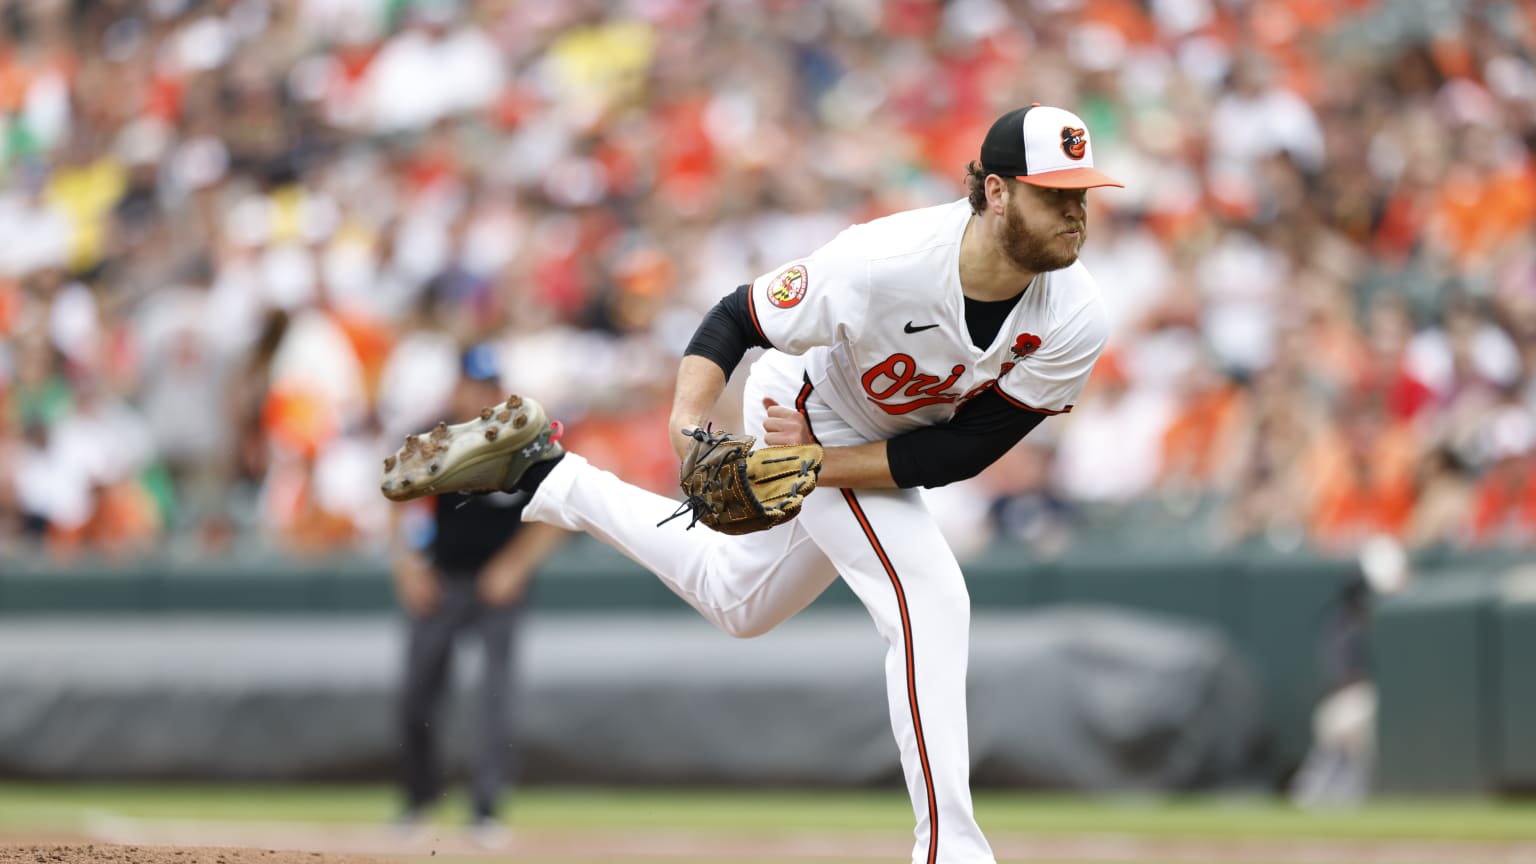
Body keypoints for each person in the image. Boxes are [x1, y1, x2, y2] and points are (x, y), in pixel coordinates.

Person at [381, 104, 1120, 864]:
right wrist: (688, 428)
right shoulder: (884, 260)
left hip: (862, 446)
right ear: (996, 192)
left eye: (1082, 195)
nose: (1075, 213)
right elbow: (735, 317)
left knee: (738, 601)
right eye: (1053, 194)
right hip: (804, 401)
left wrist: (811, 471)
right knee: (931, 596)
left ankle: (548, 475)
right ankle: (953, 854)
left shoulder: (1076, 313)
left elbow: (959, 454)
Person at [387, 343, 567, 840]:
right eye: (472, 385)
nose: (479, 396)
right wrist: (407, 567)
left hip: (498, 587)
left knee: (494, 701)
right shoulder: (434, 436)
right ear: (457, 386)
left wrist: (514, 566)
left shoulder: (525, 441)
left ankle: (485, 809)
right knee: (416, 696)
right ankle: (419, 800)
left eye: (488, 388)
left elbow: (560, 512)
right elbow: (396, 500)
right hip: (441, 578)